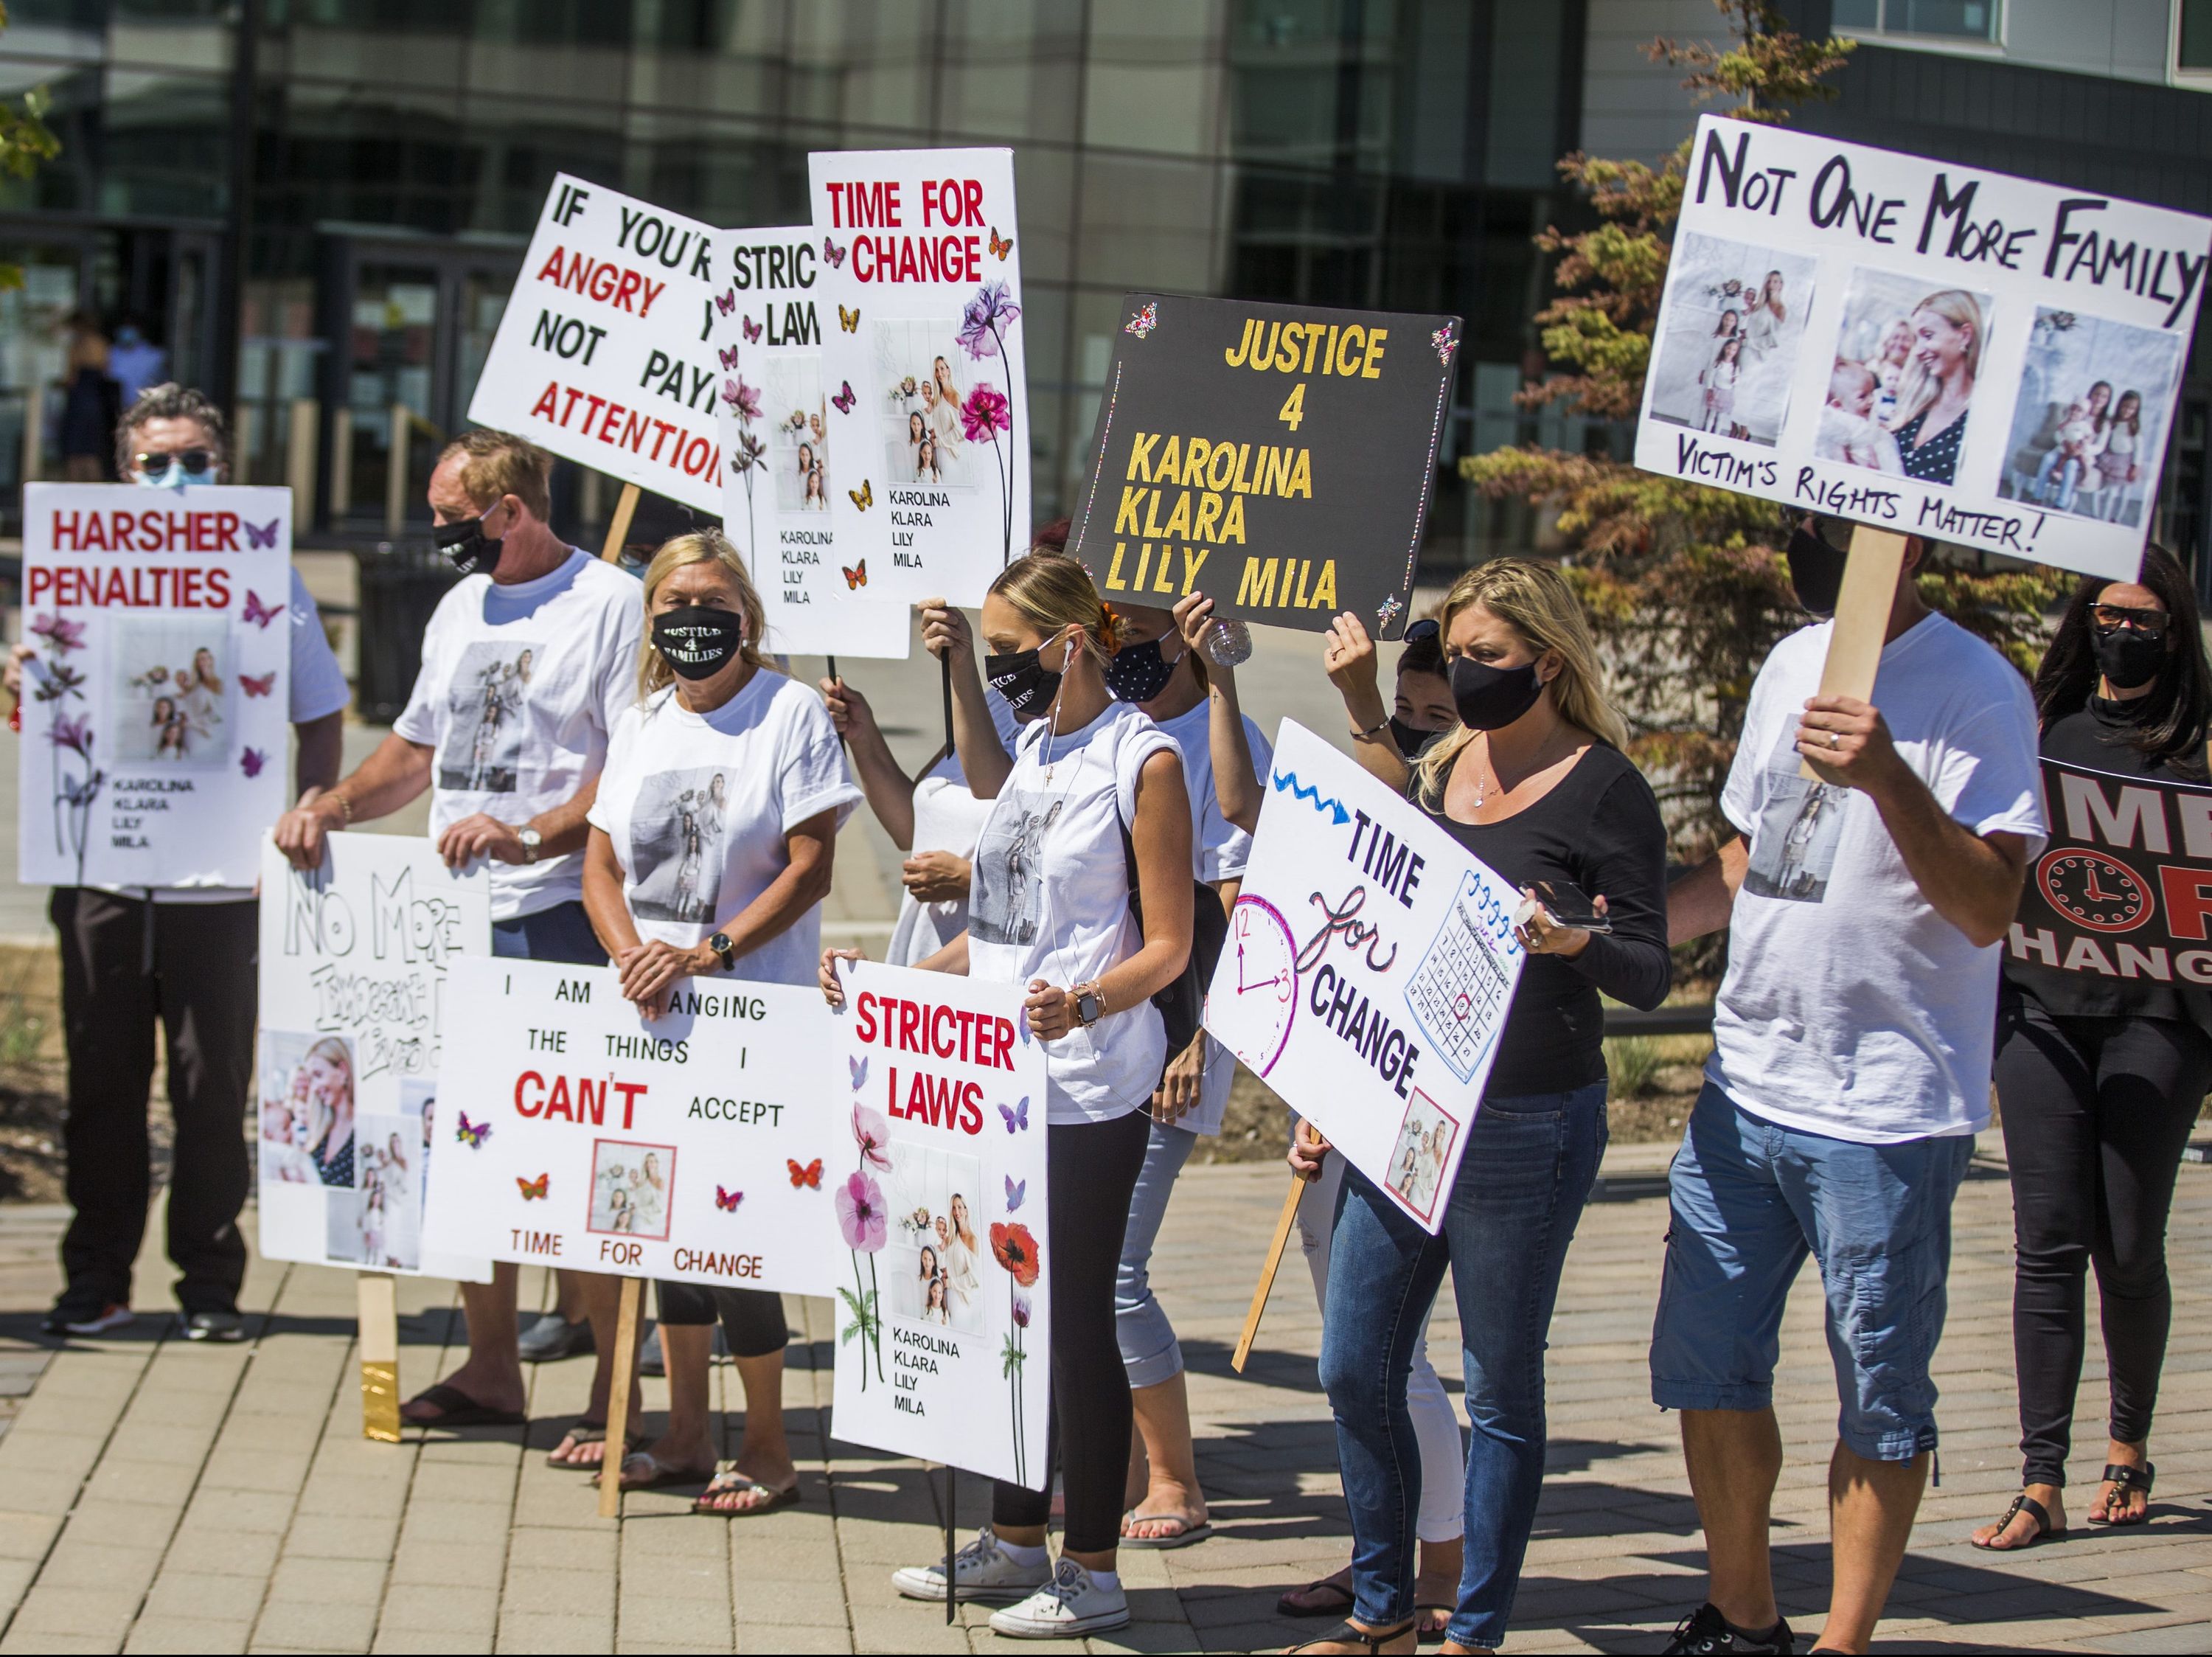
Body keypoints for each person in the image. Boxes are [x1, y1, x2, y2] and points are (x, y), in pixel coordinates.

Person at [1657, 520, 2045, 1655]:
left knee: (1880, 1387)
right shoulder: (1794, 660)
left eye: (1842, 524)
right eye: (1811, 520)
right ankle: (1743, 1614)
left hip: (1885, 1105)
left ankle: (1845, 1640)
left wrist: (1886, 774)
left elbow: (1988, 904)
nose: (1814, 541)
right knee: (1707, 1362)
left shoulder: (1981, 689)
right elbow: (1752, 856)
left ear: (1909, 544)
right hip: (1748, 1082)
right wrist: (1617, 940)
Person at [1295, 558, 1670, 1656]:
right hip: (1413, 1105)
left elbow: (1649, 964)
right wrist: (1331, 1077)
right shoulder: (1446, 759)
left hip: (1529, 1120)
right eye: (1454, 652)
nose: (1462, 673)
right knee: (1353, 1361)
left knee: (1499, 1385)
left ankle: (1478, 1630)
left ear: (1549, 662)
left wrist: (1574, 939)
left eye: (1487, 657)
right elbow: (1381, 908)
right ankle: (1383, 1610)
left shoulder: (1607, 787)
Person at [821, 547, 1194, 1639]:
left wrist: (1084, 1001)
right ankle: (1014, 1538)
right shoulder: (1031, 751)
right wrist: (891, 985)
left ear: (1071, 641)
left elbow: (1167, 944)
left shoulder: (1147, 759)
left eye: (1005, 651)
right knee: (997, 1311)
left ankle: (1093, 1564)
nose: (998, 674)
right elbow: (995, 935)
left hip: (1084, 1082)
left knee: (1074, 1320)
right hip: (992, 1076)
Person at [274, 428, 641, 1439]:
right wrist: (336, 804)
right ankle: (491, 1369)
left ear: (510, 513)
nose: (438, 538)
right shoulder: (457, 606)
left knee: (569, 1150)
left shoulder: (610, 604)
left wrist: (531, 834)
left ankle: (618, 1392)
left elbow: (636, 765)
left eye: (451, 521)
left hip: (559, 910)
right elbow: (414, 749)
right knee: (469, 1143)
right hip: (451, 921)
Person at [8, 383, 349, 1343]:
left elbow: (317, 710)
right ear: (124, 473)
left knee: (211, 1090)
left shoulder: (267, 576)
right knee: (101, 1089)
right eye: (155, 461)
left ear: (224, 468)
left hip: (219, 883)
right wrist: (19, 680)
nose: (175, 478)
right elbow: (41, 718)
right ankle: (96, 1282)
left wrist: (311, 802)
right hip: (103, 878)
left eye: (194, 459)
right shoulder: (73, 572)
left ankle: (209, 1283)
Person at [580, 528, 859, 1511]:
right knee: (664, 1227)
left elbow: (810, 862)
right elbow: (601, 867)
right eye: (675, 605)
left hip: (752, 1013)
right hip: (650, 1013)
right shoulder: (644, 717)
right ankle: (689, 1428)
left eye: (714, 604)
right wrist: (634, 956)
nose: (694, 621)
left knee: (739, 1234)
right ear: (652, 618)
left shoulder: (787, 713)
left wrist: (712, 951)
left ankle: (773, 1445)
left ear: (745, 615)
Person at [1970, 547, 2212, 1552]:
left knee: (2127, 1241)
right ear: (2085, 622)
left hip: (2160, 1018)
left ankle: (2127, 1445)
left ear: (2174, 631)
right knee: (2046, 1239)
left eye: (2145, 617)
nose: (2124, 631)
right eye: (2109, 613)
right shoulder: (2039, 732)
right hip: (2041, 1012)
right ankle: (2041, 1476)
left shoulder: (2198, 748)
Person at [1280, 608, 1470, 1633]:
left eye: (1438, 719)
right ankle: (1381, 1557)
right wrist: (1319, 1087)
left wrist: (1363, 713)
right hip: (1355, 1089)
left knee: (1392, 1355)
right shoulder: (1378, 776)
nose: (1413, 738)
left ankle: (1435, 1569)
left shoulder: (1474, 803)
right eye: (1402, 715)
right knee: (1353, 1355)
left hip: (1431, 1104)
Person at [1093, 588, 1276, 1553]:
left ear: (1189, 638)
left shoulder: (1221, 743)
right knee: (1082, 1262)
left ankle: (1176, 1477)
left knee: (1117, 1269)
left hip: (1172, 1036)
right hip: (1092, 1035)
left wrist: (1200, 1035)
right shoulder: (1100, 732)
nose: (1117, 645)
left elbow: (1242, 912)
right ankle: (1115, 1463)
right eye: (1106, 627)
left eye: (1139, 631)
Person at [1882, 289, 1983, 487]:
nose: (1918, 351)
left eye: (1928, 336)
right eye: (1916, 339)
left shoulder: (1982, 418)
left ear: (1965, 336)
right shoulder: (1918, 399)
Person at [58, 314, 118, 482]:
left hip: (80, 400)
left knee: (76, 452)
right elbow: (107, 370)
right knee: (92, 451)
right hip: (97, 400)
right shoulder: (102, 344)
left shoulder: (79, 345)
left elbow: (71, 378)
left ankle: (76, 491)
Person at [1700, 336, 1742, 435]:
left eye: (1734, 350)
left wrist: (1734, 381)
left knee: (1721, 417)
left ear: (1736, 352)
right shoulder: (1718, 363)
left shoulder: (1735, 366)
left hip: (1726, 394)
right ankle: (1707, 433)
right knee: (1711, 415)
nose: (1730, 351)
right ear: (1724, 348)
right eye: (1729, 348)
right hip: (1715, 392)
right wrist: (1710, 389)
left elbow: (1737, 380)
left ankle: (1716, 435)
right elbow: (1711, 377)